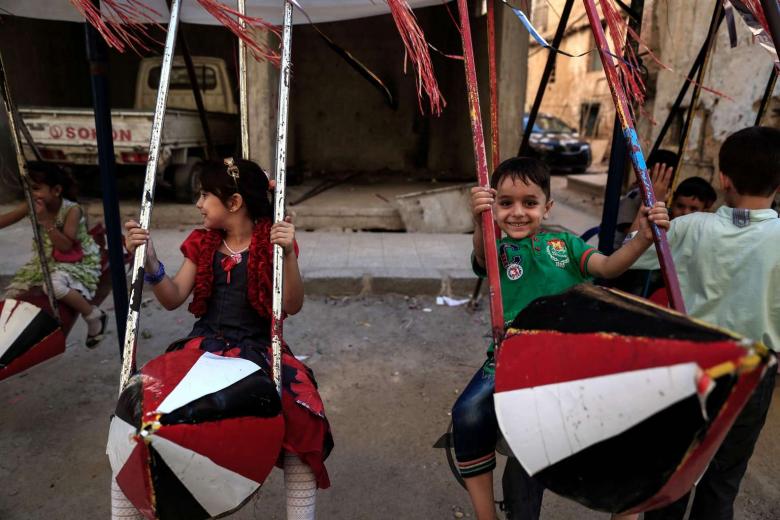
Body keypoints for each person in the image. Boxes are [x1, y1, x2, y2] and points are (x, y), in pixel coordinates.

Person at [453, 157, 669, 520]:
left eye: (529, 203)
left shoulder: (565, 244)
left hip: (566, 360)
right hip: (510, 358)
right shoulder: (497, 249)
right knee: (467, 412)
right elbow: (480, 252)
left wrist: (643, 240)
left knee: (629, 422)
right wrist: (480, 223)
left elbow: (609, 267)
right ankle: (484, 514)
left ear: (547, 206)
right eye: (505, 204)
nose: (517, 213)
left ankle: (626, 502)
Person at [121, 158, 332, 520]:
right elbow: (173, 298)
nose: (199, 204)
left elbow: (291, 306)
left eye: (205, 195)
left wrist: (288, 256)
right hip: (202, 347)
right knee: (137, 413)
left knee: (303, 414)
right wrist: (151, 262)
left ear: (234, 203)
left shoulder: (272, 241)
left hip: (258, 349)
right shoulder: (202, 243)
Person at [633, 126, 780, 520]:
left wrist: (648, 213)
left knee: (673, 475)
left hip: (688, 367)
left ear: (723, 179)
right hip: (755, 372)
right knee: (722, 479)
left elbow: (630, 255)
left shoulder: (686, 228)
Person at [0, 162, 106, 347]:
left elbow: (65, 246)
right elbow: (7, 218)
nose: (31, 195)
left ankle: (92, 314)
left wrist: (46, 221)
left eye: (36, 188)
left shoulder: (71, 210)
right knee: (13, 294)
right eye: (27, 190)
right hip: (48, 258)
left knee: (54, 287)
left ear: (56, 190)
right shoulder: (31, 205)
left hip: (76, 260)